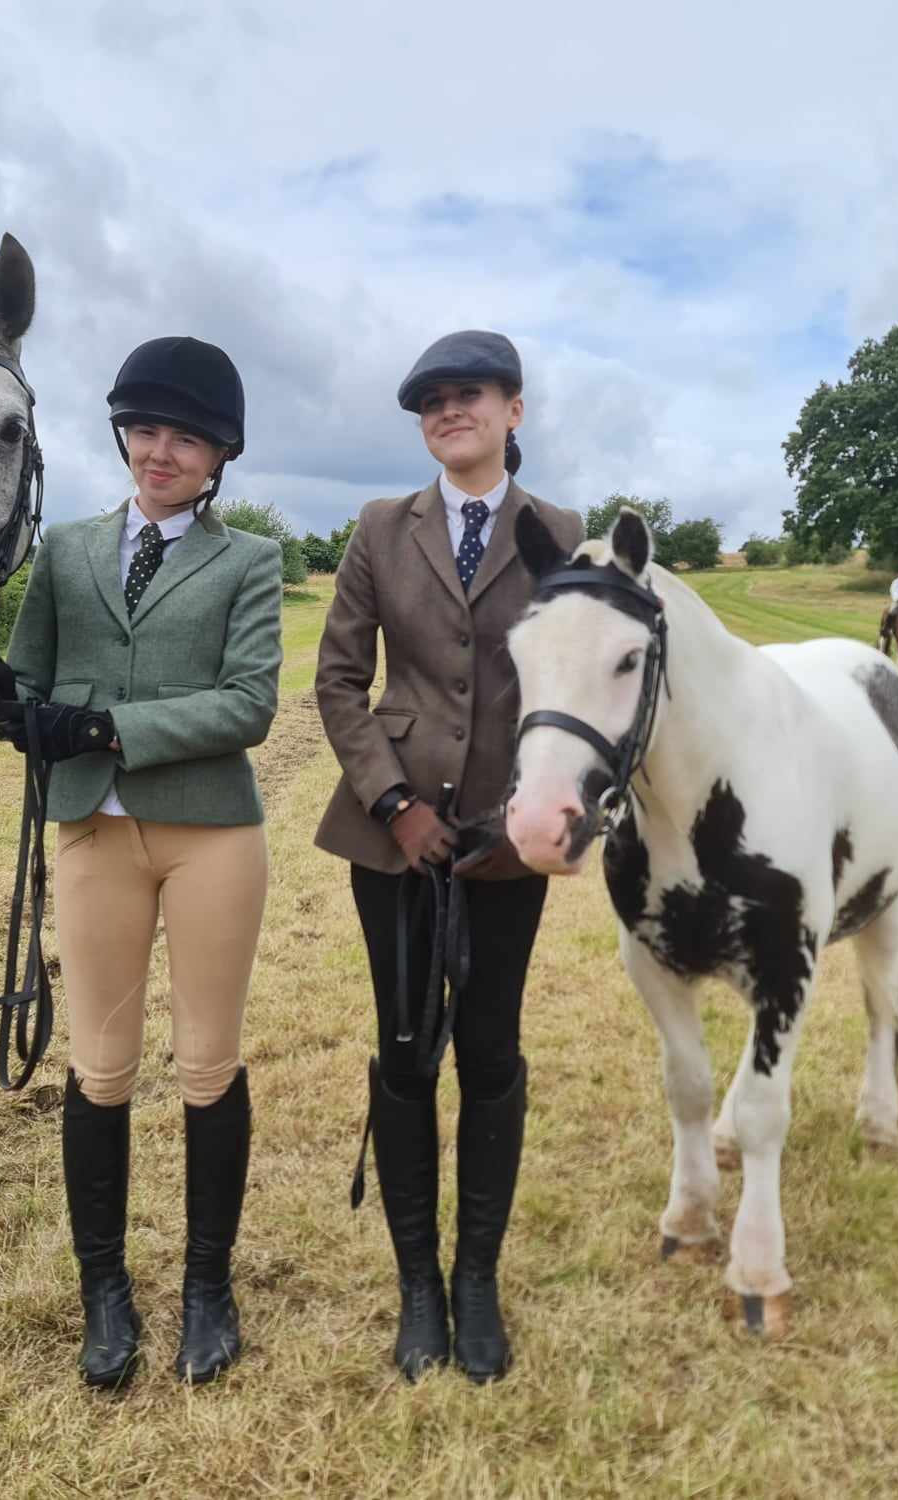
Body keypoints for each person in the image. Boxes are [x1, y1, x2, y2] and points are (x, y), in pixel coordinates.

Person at [0, 336, 283, 1389]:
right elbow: (27, 684)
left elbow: (247, 704)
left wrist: (101, 728)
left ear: (217, 455)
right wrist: (2, 701)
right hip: (93, 839)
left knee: (207, 1062)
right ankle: (103, 1292)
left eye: (184, 438)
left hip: (210, 838)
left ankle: (206, 1286)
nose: (159, 452)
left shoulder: (248, 562)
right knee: (99, 1068)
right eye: (146, 431)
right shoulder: (61, 551)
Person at [314, 330, 583, 1383]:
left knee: (490, 1050)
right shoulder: (382, 530)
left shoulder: (560, 536)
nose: (445, 411)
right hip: (392, 848)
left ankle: (476, 1280)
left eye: (465, 394)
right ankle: (416, 1285)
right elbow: (337, 682)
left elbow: (572, 690)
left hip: (501, 848)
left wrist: (525, 812)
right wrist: (390, 802)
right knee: (402, 1049)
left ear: (513, 409)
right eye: (428, 400)